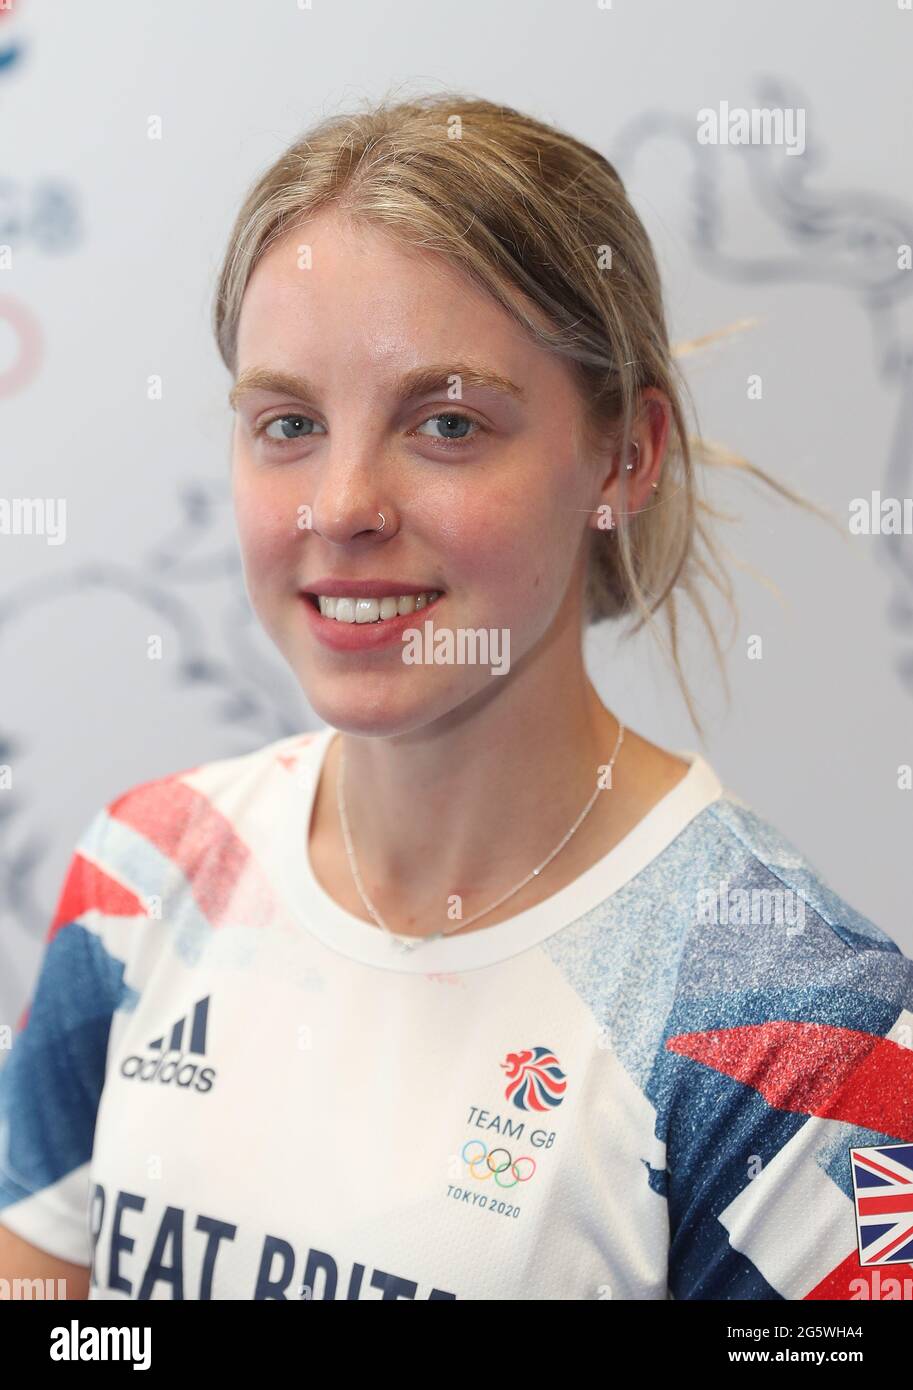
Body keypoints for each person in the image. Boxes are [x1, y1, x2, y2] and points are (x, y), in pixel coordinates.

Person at [1, 93, 911, 1302]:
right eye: (287, 423)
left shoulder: (801, 1032)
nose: (339, 506)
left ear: (623, 456)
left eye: (445, 422)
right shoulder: (144, 873)